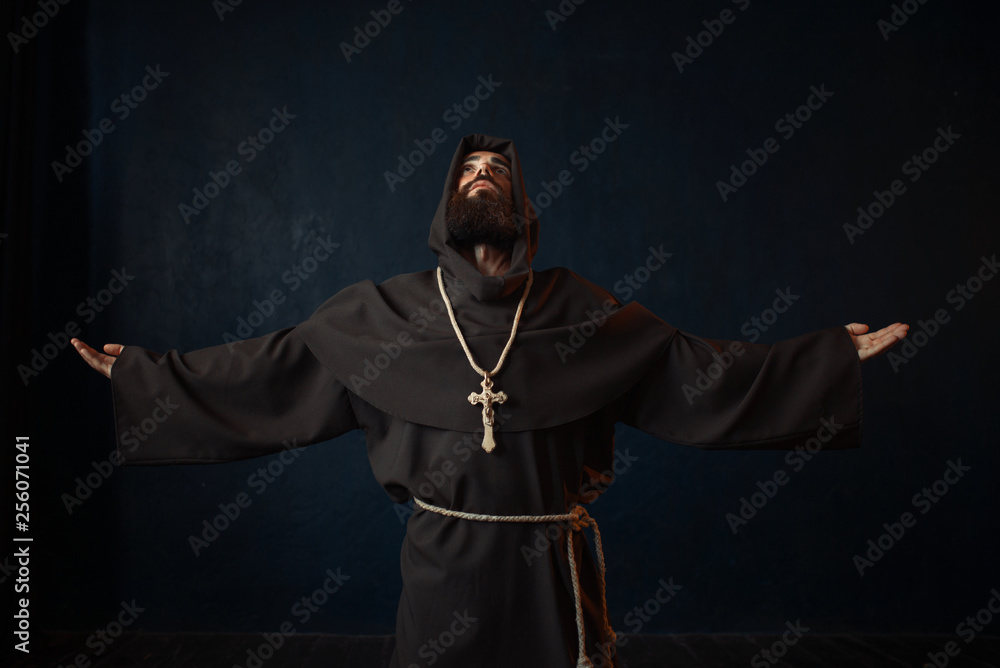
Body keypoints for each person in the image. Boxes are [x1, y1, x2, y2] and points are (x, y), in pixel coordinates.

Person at [73, 133, 908, 668]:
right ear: (447, 204)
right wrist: (146, 375)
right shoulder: (382, 316)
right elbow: (268, 372)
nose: (481, 179)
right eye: (468, 171)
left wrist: (827, 359)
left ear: (521, 206)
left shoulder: (581, 312)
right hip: (443, 571)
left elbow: (702, 373)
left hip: (555, 574)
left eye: (496, 172)